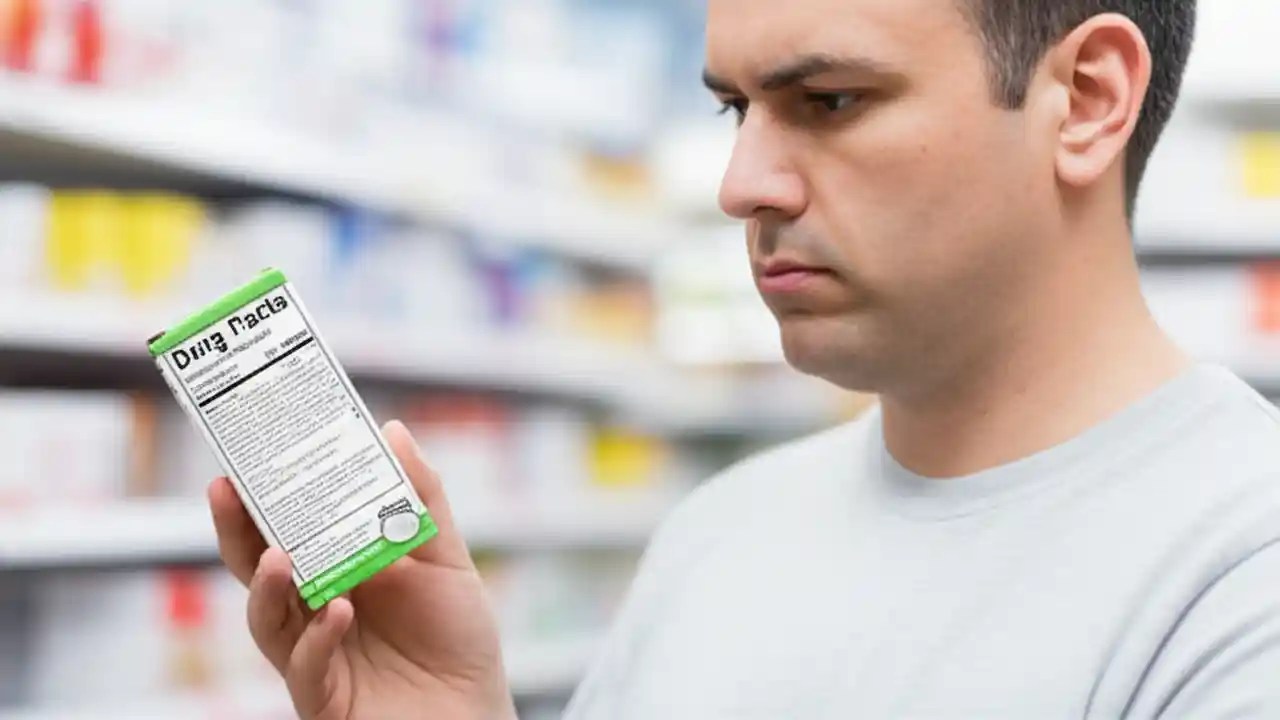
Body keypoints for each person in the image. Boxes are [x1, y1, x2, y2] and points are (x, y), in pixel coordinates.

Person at [209, 0, 1280, 717]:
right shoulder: (714, 538)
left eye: (829, 102)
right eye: (733, 107)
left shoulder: (1239, 576)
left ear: (1086, 98)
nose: (740, 183)